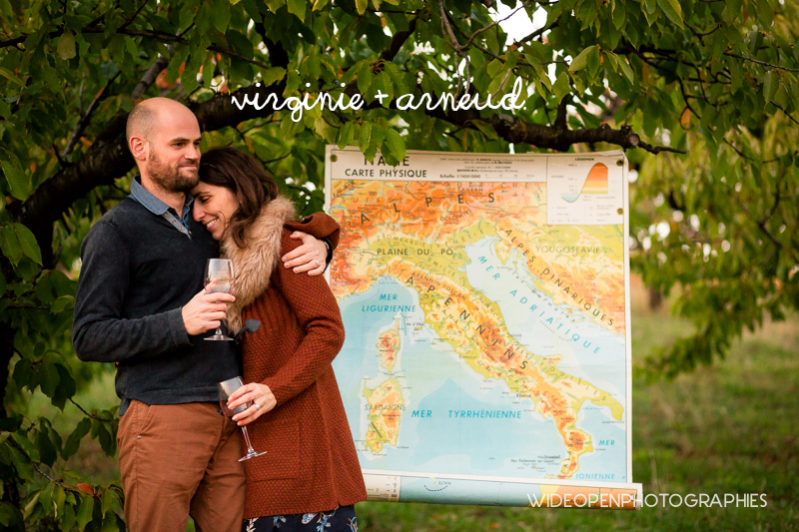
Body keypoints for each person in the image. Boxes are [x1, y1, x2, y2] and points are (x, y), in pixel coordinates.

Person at [72, 97, 336, 532]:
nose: (193, 153)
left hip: (230, 418)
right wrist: (179, 323)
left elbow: (274, 224)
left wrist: (322, 241)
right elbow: (89, 336)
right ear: (140, 147)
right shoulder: (115, 232)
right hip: (163, 416)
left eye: (195, 142)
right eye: (179, 143)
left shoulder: (210, 218)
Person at [191, 147, 367, 532]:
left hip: (302, 458)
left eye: (205, 199)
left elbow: (328, 330)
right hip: (251, 451)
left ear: (238, 189)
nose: (197, 213)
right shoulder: (221, 254)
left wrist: (274, 389)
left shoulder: (285, 245)